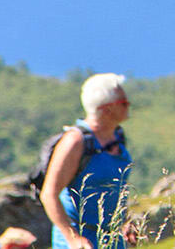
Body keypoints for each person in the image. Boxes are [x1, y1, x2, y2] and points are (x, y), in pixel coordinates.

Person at [40, 73, 136, 249]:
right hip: (81, 240)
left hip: (112, 238)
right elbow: (49, 194)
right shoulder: (75, 142)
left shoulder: (117, 136)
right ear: (106, 109)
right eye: (123, 103)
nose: (128, 105)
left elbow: (117, 188)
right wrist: (73, 238)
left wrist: (125, 222)